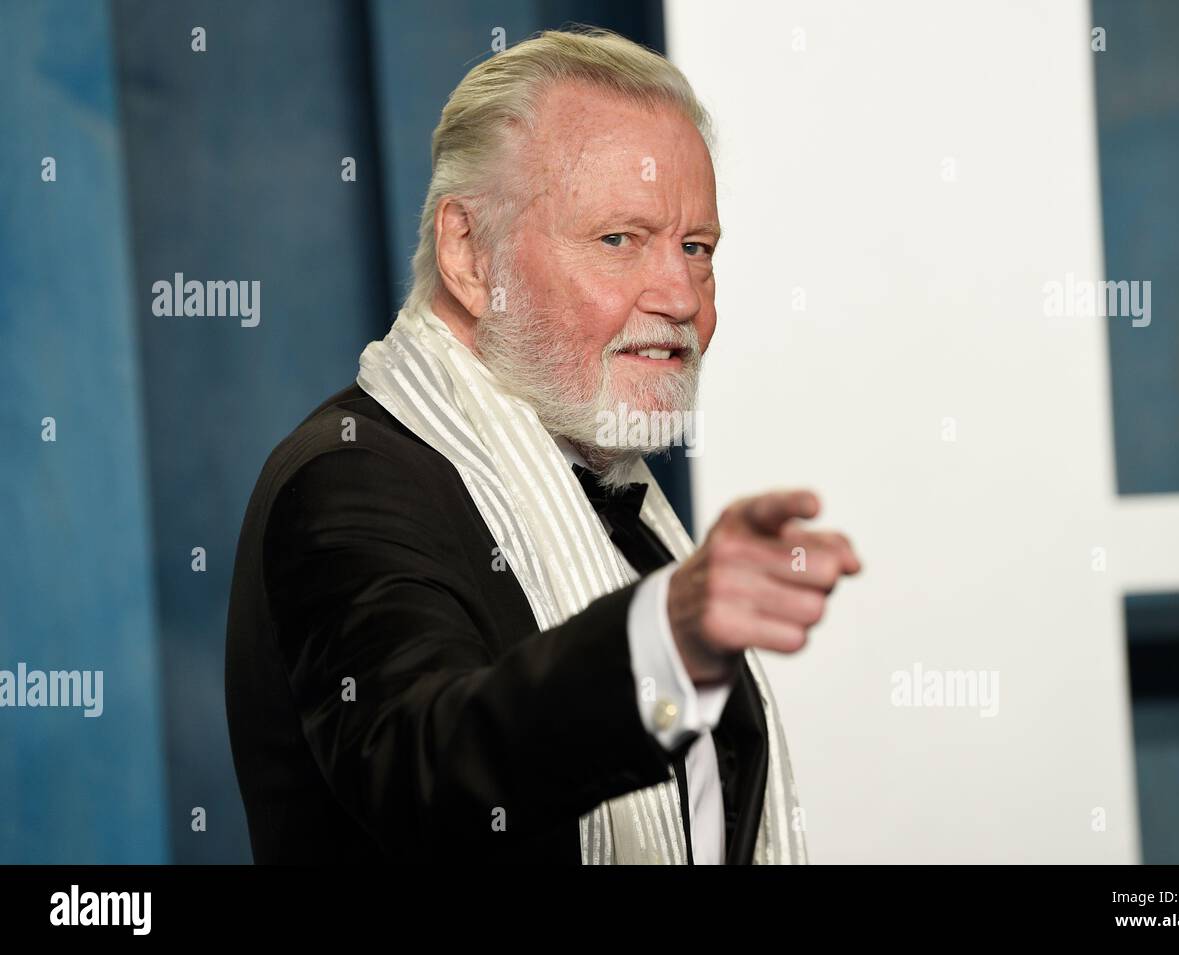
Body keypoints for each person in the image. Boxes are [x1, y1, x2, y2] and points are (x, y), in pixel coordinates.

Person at [225, 26, 860, 864]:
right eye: (618, 240)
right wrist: (659, 642)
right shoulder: (349, 476)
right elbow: (429, 762)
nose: (679, 296)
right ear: (468, 253)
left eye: (696, 249)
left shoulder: (615, 502)